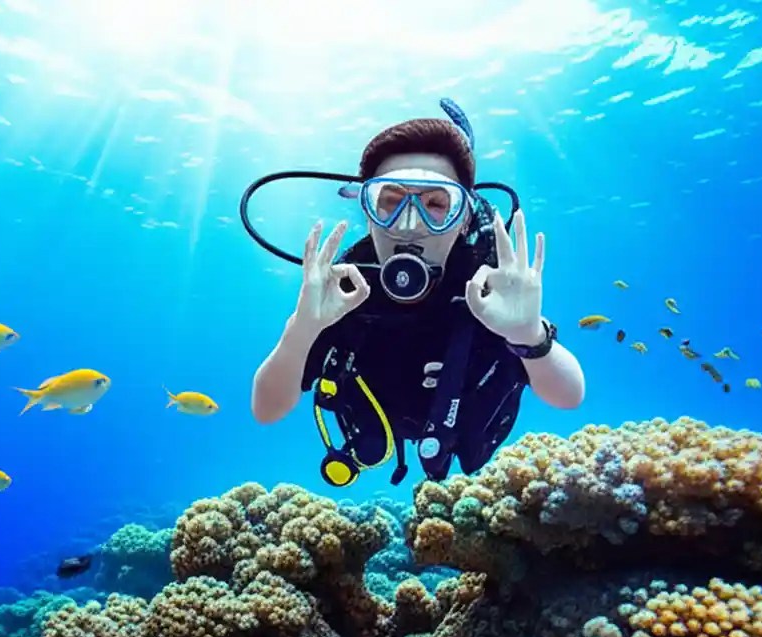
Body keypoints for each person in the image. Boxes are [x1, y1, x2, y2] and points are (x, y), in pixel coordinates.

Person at [241, 98, 585, 488]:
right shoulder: (342, 293)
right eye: (389, 201)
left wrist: (528, 335)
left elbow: (569, 395)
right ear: (368, 214)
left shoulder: (491, 288)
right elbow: (266, 409)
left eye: (437, 204)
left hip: (468, 427)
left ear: (464, 217)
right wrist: (301, 329)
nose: (408, 224)